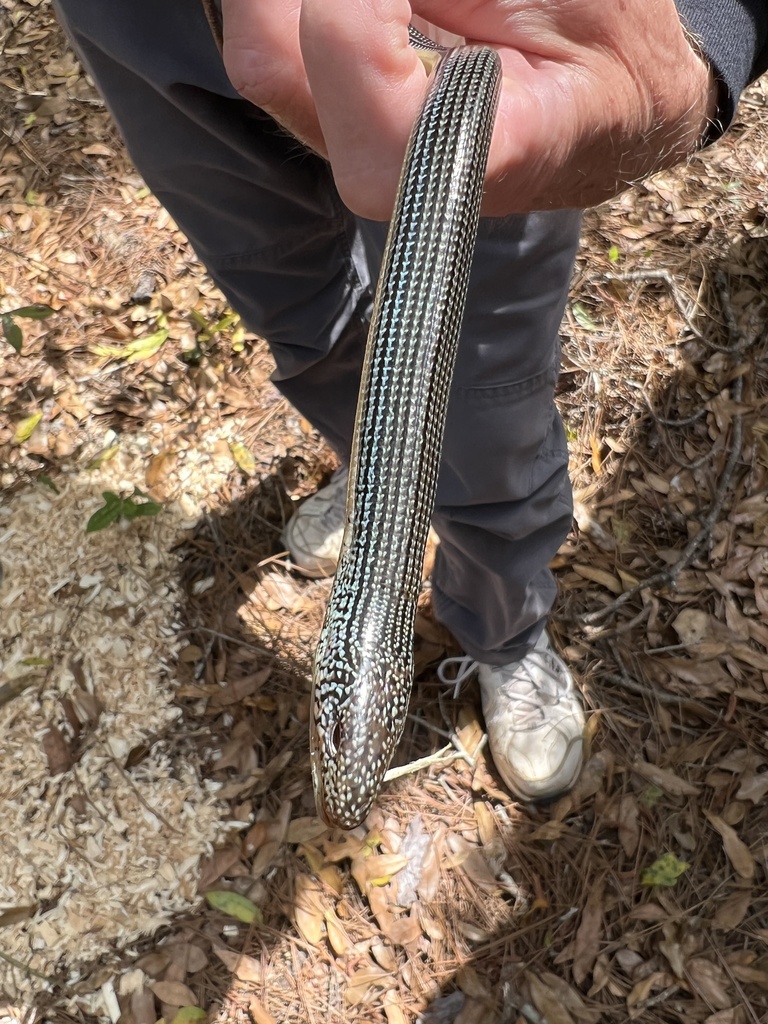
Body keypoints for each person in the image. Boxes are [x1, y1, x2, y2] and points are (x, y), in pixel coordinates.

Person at [54, 0, 767, 802]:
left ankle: (503, 634)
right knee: (301, 312)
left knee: (486, 398)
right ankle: (375, 479)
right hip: (144, 25)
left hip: (460, 34)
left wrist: (721, 20)